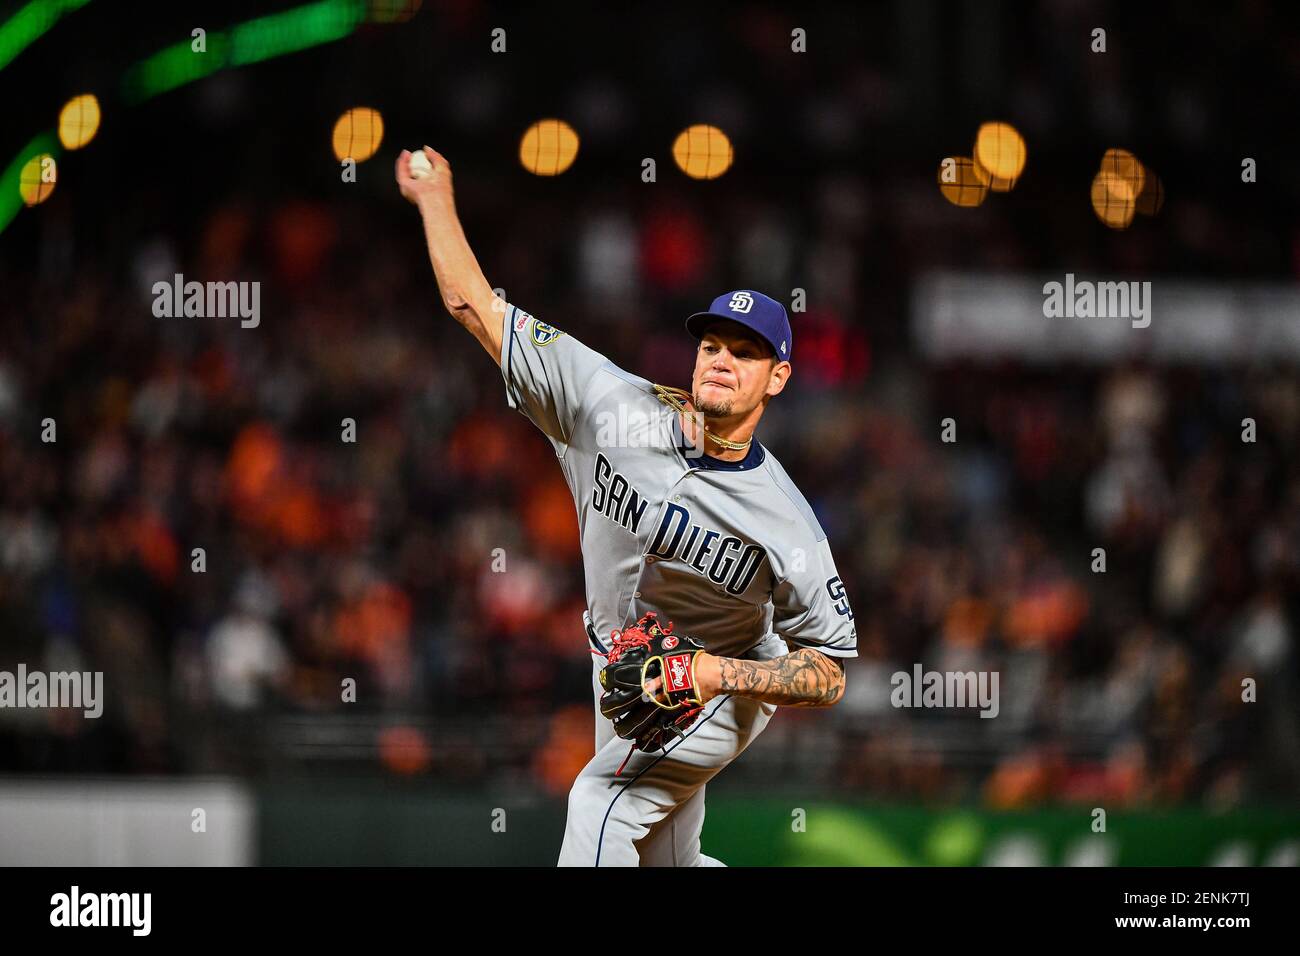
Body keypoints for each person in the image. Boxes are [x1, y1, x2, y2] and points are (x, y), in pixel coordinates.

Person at [396, 147, 857, 866]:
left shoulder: (785, 519)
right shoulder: (606, 404)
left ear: (778, 378)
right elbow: (476, 308)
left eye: (746, 352)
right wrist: (435, 200)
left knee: (601, 803)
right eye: (712, 344)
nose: (721, 359)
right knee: (664, 860)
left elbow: (827, 670)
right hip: (619, 664)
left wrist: (712, 674)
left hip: (726, 679)